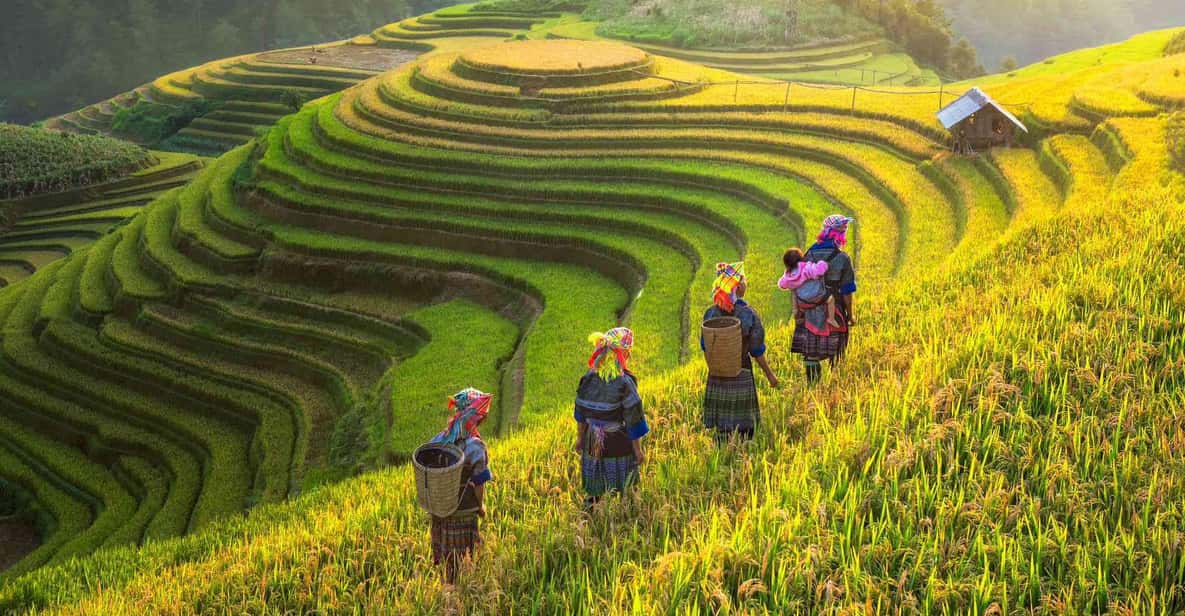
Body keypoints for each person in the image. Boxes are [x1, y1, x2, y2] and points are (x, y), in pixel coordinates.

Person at [701, 262, 778, 441]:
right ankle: (741, 461)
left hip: (716, 375)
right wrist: (771, 376)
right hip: (741, 370)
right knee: (745, 429)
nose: (746, 283)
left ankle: (723, 457)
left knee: (722, 426)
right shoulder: (748, 313)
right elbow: (756, 350)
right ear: (738, 286)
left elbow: (705, 346)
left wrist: (716, 367)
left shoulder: (710, 314)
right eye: (744, 280)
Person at [574, 327, 649, 509]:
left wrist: (580, 438)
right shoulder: (624, 382)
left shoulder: (589, 378)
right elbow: (633, 418)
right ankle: (625, 518)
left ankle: (589, 514)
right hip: (618, 440)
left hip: (593, 438)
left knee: (594, 486)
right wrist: (637, 450)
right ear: (624, 354)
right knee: (625, 487)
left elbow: (580, 414)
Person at [428, 388, 494, 584]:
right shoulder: (474, 446)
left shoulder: (439, 440)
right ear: (474, 417)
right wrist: (481, 507)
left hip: (440, 511)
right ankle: (458, 602)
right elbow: (479, 483)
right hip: (463, 512)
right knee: (463, 565)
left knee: (448, 564)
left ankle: (448, 596)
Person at [791, 215, 858, 384]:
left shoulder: (808, 253)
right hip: (833, 309)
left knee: (811, 352)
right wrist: (850, 315)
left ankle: (812, 386)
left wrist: (797, 310)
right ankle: (834, 387)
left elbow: (797, 282)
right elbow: (847, 291)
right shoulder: (843, 258)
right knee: (835, 350)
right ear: (841, 234)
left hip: (809, 309)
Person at [779, 247, 840, 329]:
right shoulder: (806, 268)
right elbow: (820, 270)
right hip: (818, 297)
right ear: (801, 258)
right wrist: (823, 263)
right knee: (831, 299)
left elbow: (781, 284)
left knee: (794, 291)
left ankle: (799, 317)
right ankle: (831, 319)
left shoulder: (788, 277)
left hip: (803, 302)